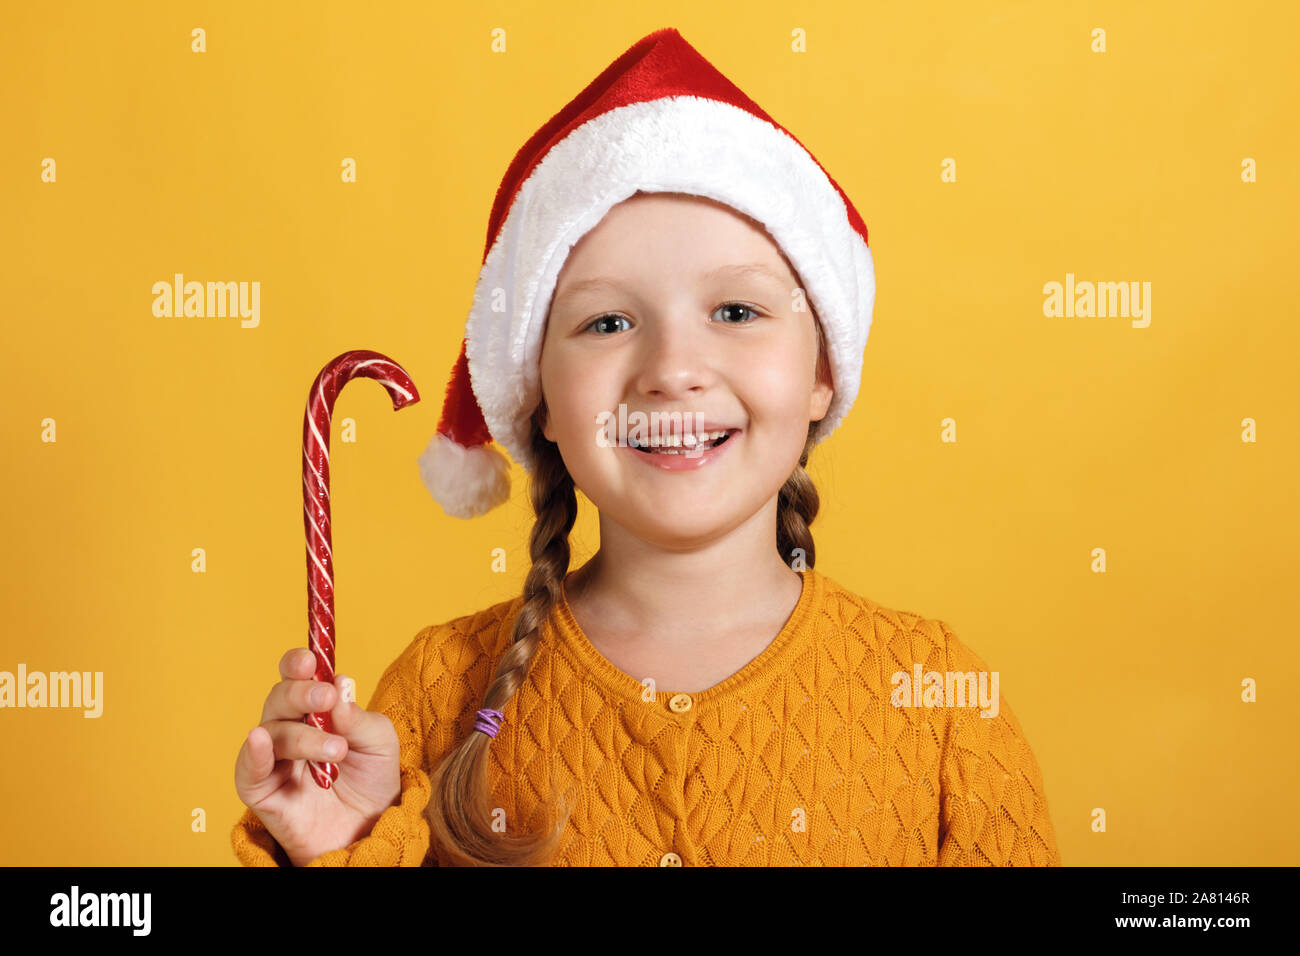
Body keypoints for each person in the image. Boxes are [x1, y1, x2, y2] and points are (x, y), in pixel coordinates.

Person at [232, 27, 1060, 867]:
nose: (672, 370)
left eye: (736, 312)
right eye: (609, 322)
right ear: (541, 397)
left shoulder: (942, 702)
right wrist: (340, 850)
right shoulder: (440, 695)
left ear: (821, 371)